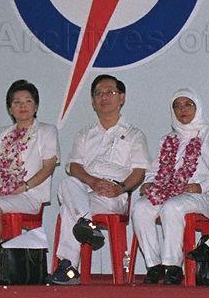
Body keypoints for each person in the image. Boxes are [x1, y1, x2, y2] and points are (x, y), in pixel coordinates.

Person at [50, 74, 150, 286]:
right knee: (67, 184)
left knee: (69, 208)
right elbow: (75, 166)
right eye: (98, 94)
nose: (104, 97)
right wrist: (93, 182)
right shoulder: (85, 134)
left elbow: (139, 171)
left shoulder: (134, 134)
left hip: (114, 194)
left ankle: (68, 265)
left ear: (121, 98)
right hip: (87, 189)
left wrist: (121, 188)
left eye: (110, 92)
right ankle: (86, 223)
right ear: (93, 101)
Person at [0, 79, 58, 285]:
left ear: (36, 106)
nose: (22, 106)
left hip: (29, 193)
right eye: (16, 102)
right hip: (1, 191)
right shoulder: (1, 133)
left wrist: (24, 186)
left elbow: (49, 166)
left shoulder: (47, 131)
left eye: (27, 101)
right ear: (10, 108)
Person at [132, 88, 209, 285]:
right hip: (169, 192)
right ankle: (154, 265)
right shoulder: (168, 139)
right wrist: (149, 182)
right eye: (177, 106)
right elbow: (155, 169)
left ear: (197, 107)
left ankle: (173, 266)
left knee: (172, 207)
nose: (182, 110)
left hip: (203, 194)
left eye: (187, 105)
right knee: (141, 207)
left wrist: (201, 186)